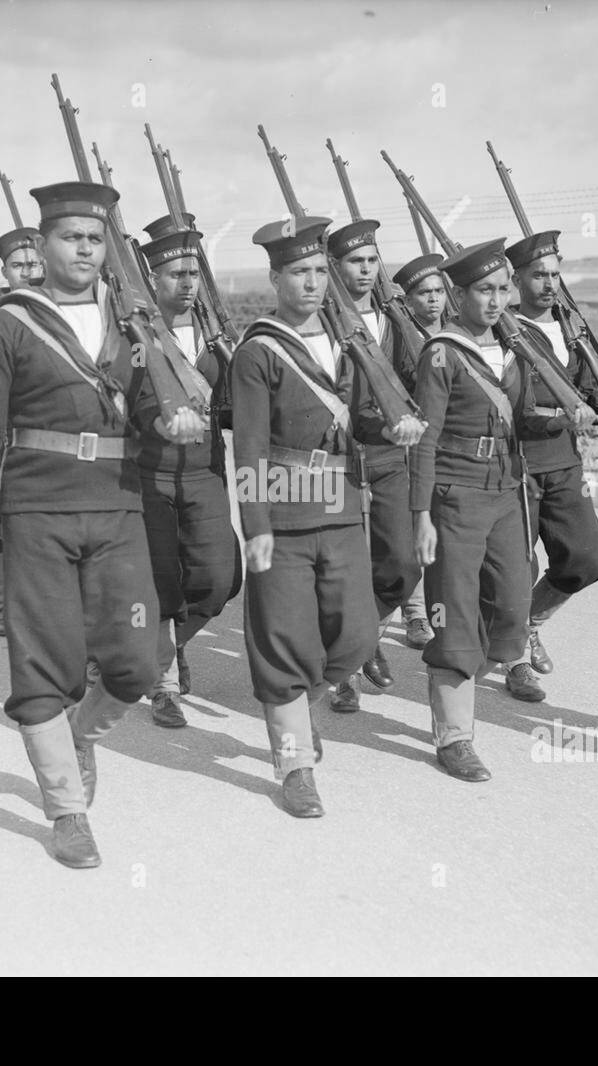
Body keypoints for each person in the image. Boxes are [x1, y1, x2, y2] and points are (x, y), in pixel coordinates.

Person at [0, 180, 204, 865]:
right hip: (35, 512)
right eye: (71, 237)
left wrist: (171, 419)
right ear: (42, 244)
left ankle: (81, 736)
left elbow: (148, 404)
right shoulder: (5, 324)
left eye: (95, 239)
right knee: (43, 665)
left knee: (135, 662)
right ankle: (66, 810)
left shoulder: (130, 322)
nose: (85, 249)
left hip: (119, 505)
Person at [233, 216, 424, 817]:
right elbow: (249, 449)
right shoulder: (257, 350)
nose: (312, 283)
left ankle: (302, 713)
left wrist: (390, 426)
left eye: (320, 271)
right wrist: (255, 525)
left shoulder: (347, 345)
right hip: (284, 517)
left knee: (357, 637)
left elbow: (358, 422)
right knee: (284, 644)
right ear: (275, 277)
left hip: (343, 508)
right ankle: (294, 763)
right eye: (299, 273)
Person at [411, 238, 588, 781]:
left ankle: (461, 675)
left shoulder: (516, 347)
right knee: (456, 612)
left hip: (508, 488)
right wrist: (420, 514)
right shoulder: (441, 352)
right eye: (481, 291)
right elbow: (424, 438)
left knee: (512, 608)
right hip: (455, 491)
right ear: (457, 295)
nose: (493, 301)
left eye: (500, 289)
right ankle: (455, 734)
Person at [135, 217, 241, 728]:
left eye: (193, 274)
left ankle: (167, 646)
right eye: (175, 274)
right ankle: (164, 683)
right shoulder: (134, 331)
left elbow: (234, 405)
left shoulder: (215, 333)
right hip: (148, 472)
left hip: (205, 471)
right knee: (159, 579)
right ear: (152, 278)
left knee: (220, 579)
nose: (187, 283)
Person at [326, 220, 422, 709]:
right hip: (338, 458)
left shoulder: (393, 320)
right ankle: (346, 671)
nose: (365, 270)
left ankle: (365, 637)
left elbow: (413, 377)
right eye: (354, 262)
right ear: (333, 267)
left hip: (388, 456)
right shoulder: (322, 322)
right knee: (345, 570)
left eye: (371, 260)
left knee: (403, 563)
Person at [504, 231, 598, 675]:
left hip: (564, 463)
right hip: (518, 463)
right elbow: (509, 405)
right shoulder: (504, 331)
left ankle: (529, 621)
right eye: (538, 275)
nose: (548, 284)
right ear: (517, 279)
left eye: (554, 275)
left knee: (589, 556)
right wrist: (560, 417)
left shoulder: (572, 329)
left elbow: (589, 390)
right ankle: (514, 662)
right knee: (516, 567)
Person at [0, 227, 45, 638]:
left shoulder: (66, 308)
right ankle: (3, 605)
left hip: (52, 431)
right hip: (7, 432)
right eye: (19, 266)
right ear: (5, 271)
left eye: (35, 263)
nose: (29, 272)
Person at [391, 252, 450, 649]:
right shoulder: (400, 334)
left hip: (452, 444)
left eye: (438, 291)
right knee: (415, 523)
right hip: (414, 441)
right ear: (408, 300)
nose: (433, 300)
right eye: (423, 293)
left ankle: (438, 610)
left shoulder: (458, 332)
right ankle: (414, 613)